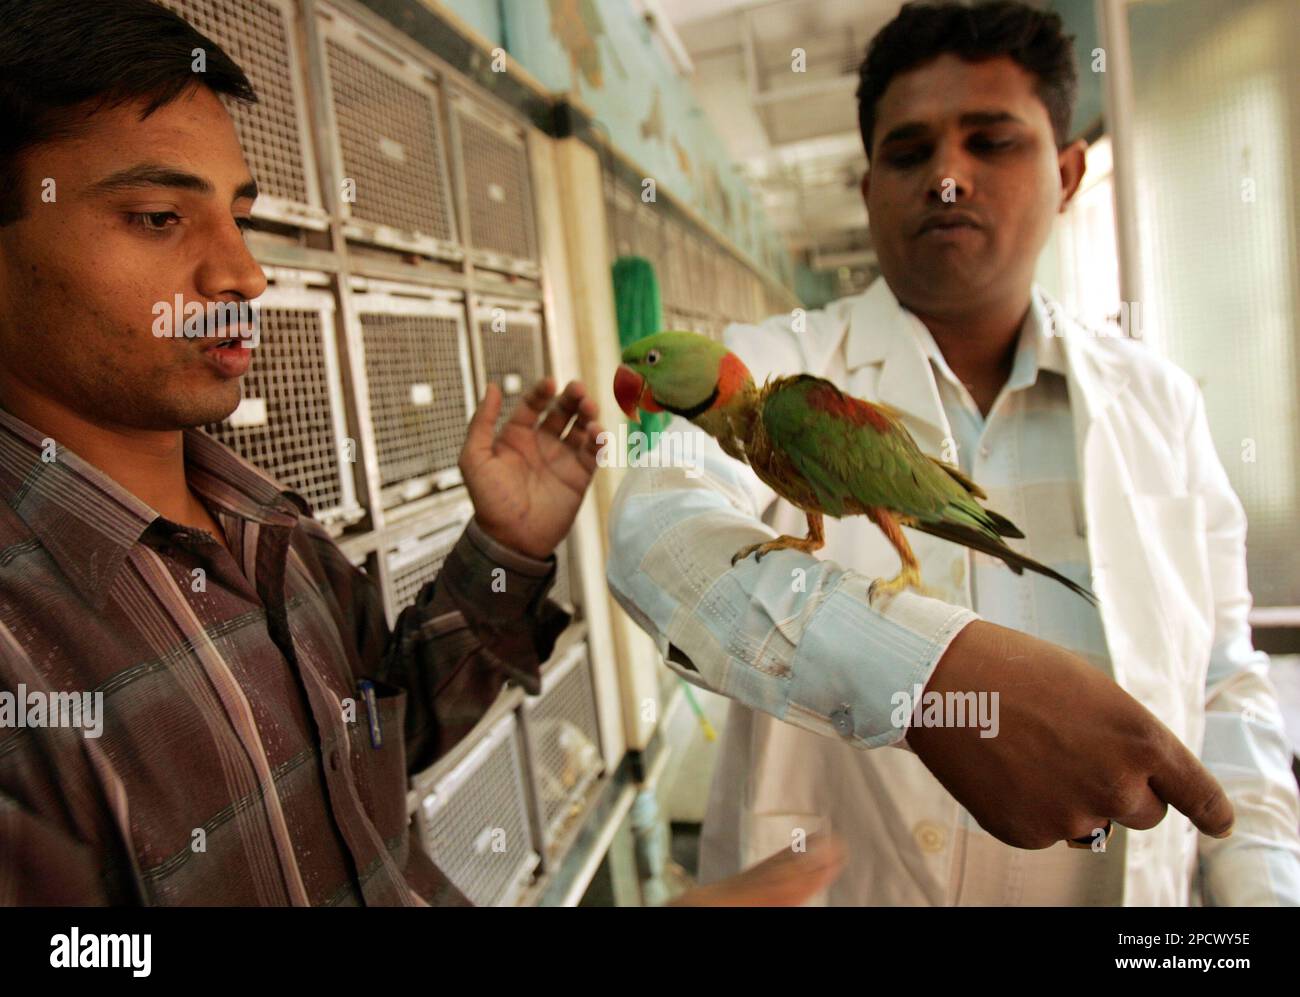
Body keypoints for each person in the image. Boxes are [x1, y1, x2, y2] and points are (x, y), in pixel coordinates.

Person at [0, 0, 838, 908]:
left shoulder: (269, 525)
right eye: (160, 216)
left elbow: (381, 737)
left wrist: (506, 552)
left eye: (239, 216)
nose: (243, 274)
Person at [606, 0, 1300, 905]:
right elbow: (655, 527)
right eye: (908, 152)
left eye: (992, 142)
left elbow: (1224, 678)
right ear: (865, 189)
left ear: (1068, 171)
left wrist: (1258, 894)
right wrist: (930, 676)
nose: (945, 179)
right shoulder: (785, 364)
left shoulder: (1162, 400)